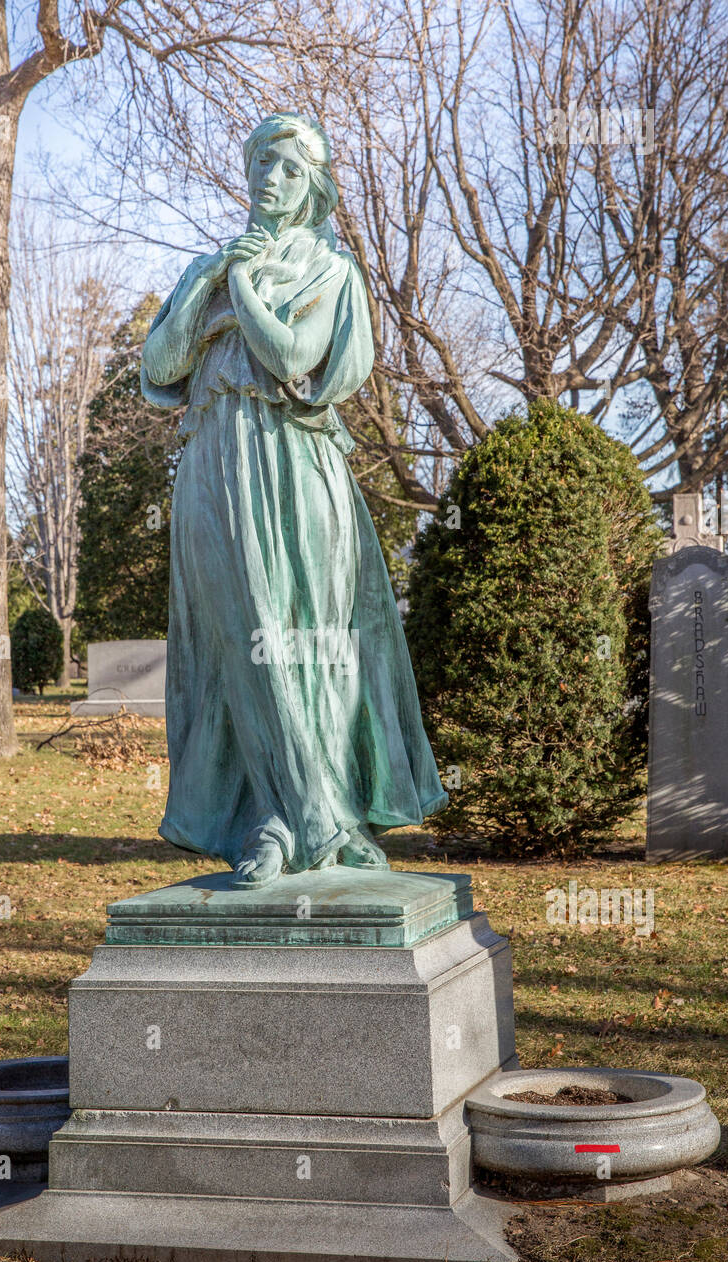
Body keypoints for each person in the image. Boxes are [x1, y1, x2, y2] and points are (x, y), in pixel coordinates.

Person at [141, 111, 446, 889]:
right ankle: (261, 814)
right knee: (231, 641)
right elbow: (160, 367)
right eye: (259, 164)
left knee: (302, 637)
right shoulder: (207, 268)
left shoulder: (328, 269)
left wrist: (239, 286)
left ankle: (315, 816)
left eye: (284, 167)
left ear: (312, 183)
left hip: (292, 471)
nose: (266, 179)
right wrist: (208, 282)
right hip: (212, 468)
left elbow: (290, 359)